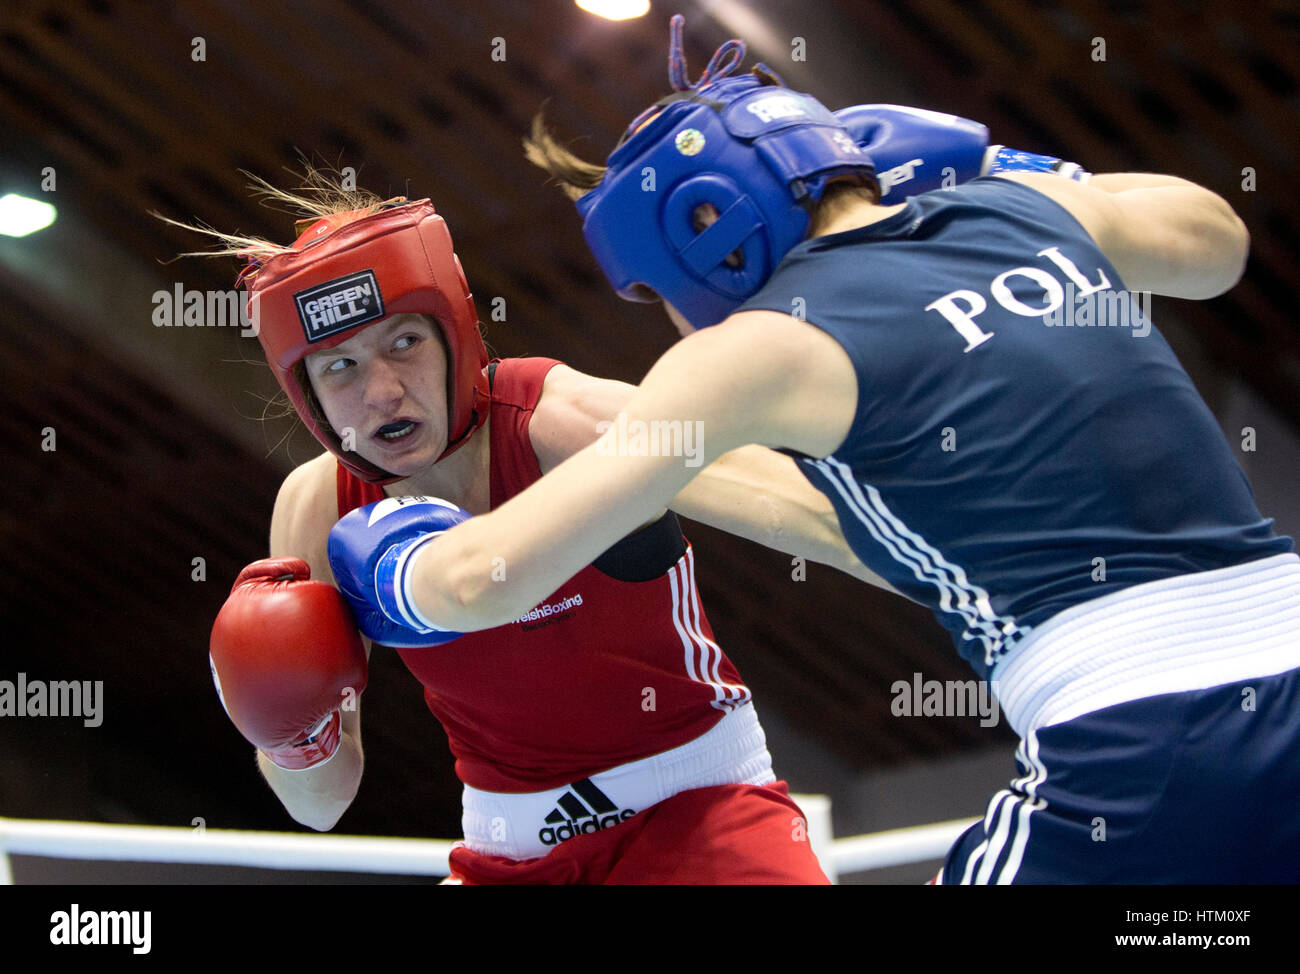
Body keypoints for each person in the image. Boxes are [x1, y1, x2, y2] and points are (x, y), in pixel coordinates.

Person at [329, 19, 1300, 883]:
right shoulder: (1025, 216)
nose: (669, 319)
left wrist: (396, 554)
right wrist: (993, 163)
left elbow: (484, 580)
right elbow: (1214, 243)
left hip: (1140, 740)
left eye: (654, 290)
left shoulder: (759, 348)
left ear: (699, 235)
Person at [198, 165, 946, 883]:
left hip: (700, 814)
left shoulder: (569, 423)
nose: (384, 391)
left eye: (404, 342)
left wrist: (1024, 591)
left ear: (454, 331)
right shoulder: (318, 509)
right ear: (308, 395)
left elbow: (825, 519)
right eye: (341, 368)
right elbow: (323, 806)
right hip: (508, 855)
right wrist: (292, 735)